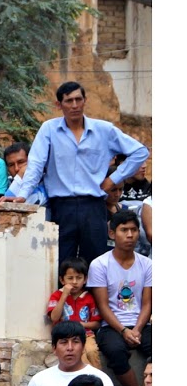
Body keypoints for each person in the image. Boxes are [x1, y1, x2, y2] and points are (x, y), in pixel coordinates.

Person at [21, 81, 149, 267]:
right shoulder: (49, 129)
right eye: (69, 101)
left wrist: (113, 179)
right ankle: (62, 297)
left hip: (94, 206)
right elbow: (36, 164)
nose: (74, 105)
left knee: (96, 263)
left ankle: (97, 297)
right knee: (60, 262)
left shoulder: (103, 129)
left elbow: (140, 152)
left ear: (85, 101)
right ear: (59, 105)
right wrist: (23, 195)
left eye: (78, 99)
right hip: (61, 206)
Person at [87, 208, 151, 386]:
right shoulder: (99, 264)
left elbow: (147, 304)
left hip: (142, 324)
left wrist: (137, 329)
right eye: (124, 230)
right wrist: (124, 331)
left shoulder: (147, 264)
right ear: (112, 233)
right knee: (115, 351)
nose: (130, 235)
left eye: (134, 229)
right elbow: (103, 305)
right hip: (111, 326)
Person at [45, 259, 100, 336]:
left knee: (90, 348)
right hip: (63, 335)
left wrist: (80, 325)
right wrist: (64, 295)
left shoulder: (89, 297)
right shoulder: (57, 295)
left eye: (79, 278)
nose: (74, 282)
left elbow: (97, 324)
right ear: (62, 280)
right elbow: (54, 318)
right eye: (70, 278)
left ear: (85, 279)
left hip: (85, 335)